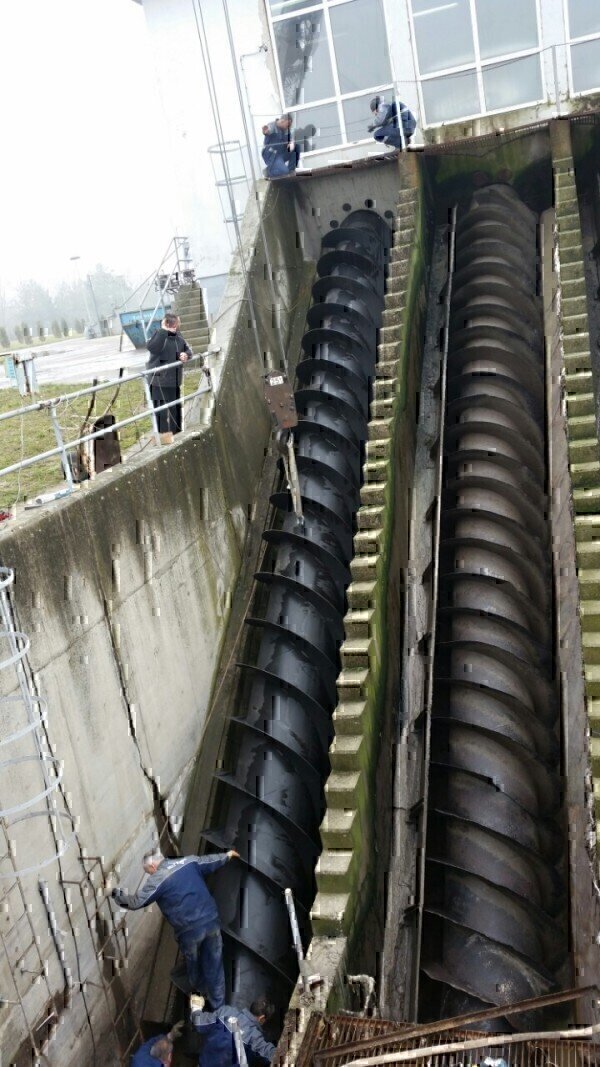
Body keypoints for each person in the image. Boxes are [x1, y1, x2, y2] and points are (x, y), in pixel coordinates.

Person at [112, 849, 239, 1008]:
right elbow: (210, 862)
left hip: (189, 930)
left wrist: (117, 895)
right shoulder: (189, 862)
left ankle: (199, 998)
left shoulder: (158, 878)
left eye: (148, 872)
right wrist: (226, 856)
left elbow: (136, 902)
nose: (150, 875)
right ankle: (219, 1006)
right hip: (211, 921)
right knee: (215, 963)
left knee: (193, 966)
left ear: (152, 866)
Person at [190, 993, 276, 1066]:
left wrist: (196, 1007)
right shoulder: (254, 1037)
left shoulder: (226, 1011)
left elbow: (198, 1022)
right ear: (262, 1018)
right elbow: (271, 1054)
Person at [146, 313, 192, 444]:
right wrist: (163, 331)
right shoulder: (159, 334)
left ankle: (177, 437)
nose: (175, 328)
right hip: (157, 381)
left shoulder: (179, 336)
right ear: (167, 324)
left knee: (175, 410)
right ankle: (164, 440)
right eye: (173, 325)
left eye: (176, 325)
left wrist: (186, 355)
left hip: (174, 380)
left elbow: (189, 350)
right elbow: (152, 348)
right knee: (160, 412)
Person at [261, 114, 300, 178]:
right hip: (272, 156)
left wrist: (291, 144)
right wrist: (265, 132)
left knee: (296, 147)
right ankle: (268, 171)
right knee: (284, 171)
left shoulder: (286, 130)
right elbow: (267, 131)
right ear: (282, 121)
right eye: (288, 124)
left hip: (281, 154)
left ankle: (290, 171)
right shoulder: (272, 126)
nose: (289, 126)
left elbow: (288, 143)